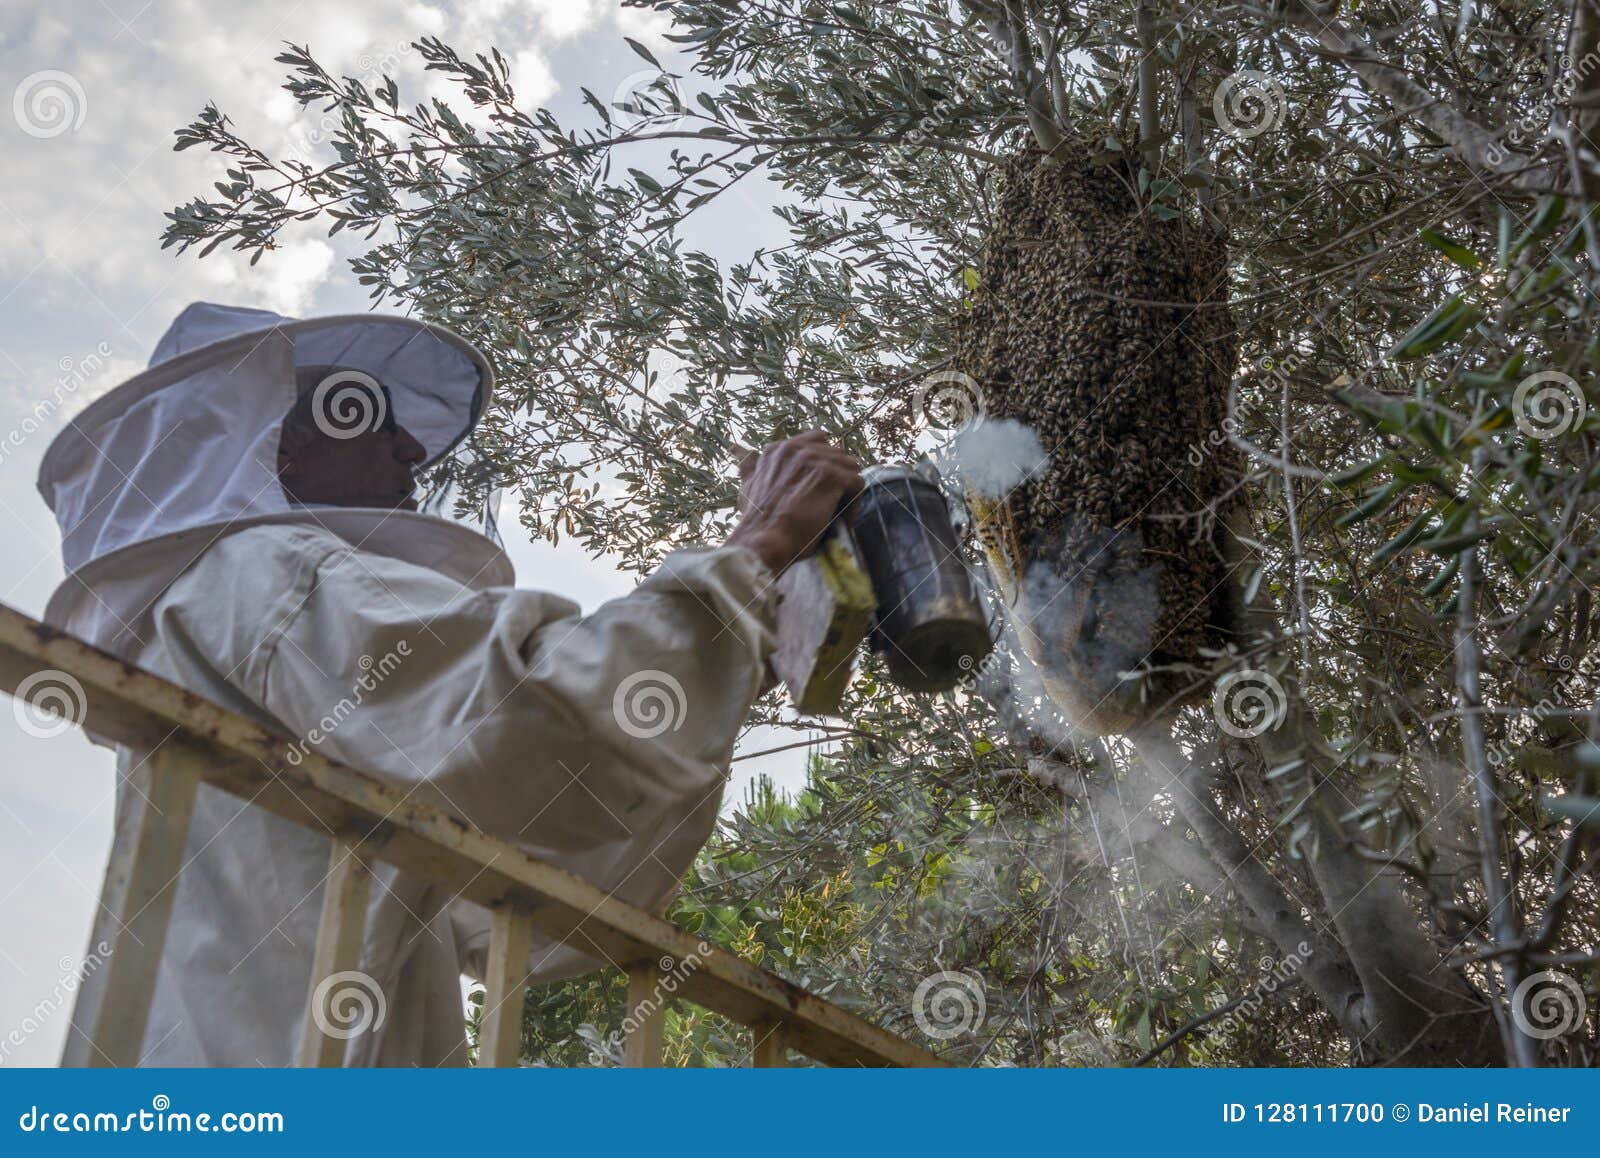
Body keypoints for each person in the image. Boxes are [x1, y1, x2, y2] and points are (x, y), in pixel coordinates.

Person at [41, 302, 860, 1065]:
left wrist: (723, 652)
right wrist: (756, 546)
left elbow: (534, 909)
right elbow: (531, 719)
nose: (408, 450)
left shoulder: (217, 623)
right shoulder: (257, 575)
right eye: (372, 419)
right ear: (276, 444)